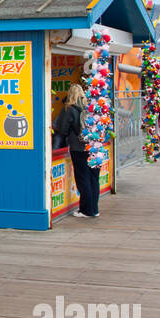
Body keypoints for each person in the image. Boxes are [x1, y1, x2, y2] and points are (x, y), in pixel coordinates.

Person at [51, 83, 99, 218]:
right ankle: (94, 209)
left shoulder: (69, 109)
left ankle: (85, 210)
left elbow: (63, 129)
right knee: (93, 178)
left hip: (78, 148)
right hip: (94, 146)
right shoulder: (90, 107)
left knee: (82, 178)